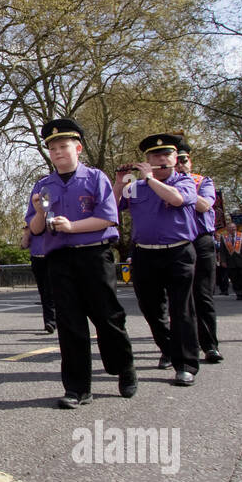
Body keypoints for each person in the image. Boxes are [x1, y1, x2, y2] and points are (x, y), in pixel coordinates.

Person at [29, 119, 136, 408]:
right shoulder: (43, 185)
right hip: (59, 259)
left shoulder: (95, 178)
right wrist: (39, 212)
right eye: (52, 149)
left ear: (78, 148)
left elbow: (108, 217)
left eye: (63, 147)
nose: (58, 153)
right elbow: (36, 228)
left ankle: (123, 368)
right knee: (69, 323)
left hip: (93, 254)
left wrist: (72, 227)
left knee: (107, 317)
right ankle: (77, 388)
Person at [117, 133, 199, 387]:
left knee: (180, 309)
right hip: (144, 253)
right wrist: (120, 181)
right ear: (147, 159)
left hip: (178, 252)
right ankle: (169, 348)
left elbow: (174, 199)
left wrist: (150, 178)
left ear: (175, 158)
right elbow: (112, 205)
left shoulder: (184, 182)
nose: (161, 159)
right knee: (151, 309)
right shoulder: (137, 187)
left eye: (166, 155)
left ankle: (185, 365)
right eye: (155, 156)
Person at [175, 142, 222, 363]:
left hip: (200, 240)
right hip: (177, 241)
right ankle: (177, 347)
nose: (180, 164)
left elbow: (204, 205)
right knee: (177, 298)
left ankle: (210, 345)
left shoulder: (202, 181)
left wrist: (184, 188)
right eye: (177, 160)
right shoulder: (164, 184)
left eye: (184, 160)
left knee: (202, 295)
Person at [25, 148, 59, 334]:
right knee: (45, 290)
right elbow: (32, 225)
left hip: (59, 249)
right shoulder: (40, 188)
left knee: (59, 289)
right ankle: (50, 321)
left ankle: (62, 318)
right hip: (39, 251)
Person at [221, 220, 242, 300]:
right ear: (227, 229)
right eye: (230, 228)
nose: (232, 229)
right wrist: (223, 261)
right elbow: (222, 251)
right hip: (231, 261)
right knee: (234, 278)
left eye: (233, 228)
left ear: (236, 228)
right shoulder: (224, 238)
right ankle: (239, 293)